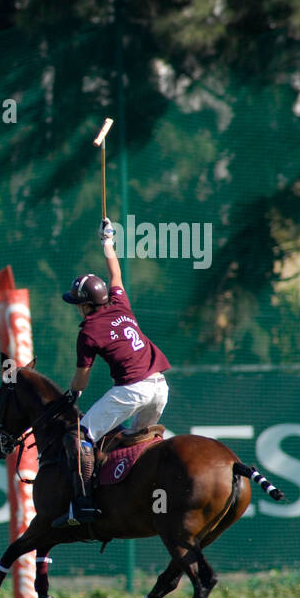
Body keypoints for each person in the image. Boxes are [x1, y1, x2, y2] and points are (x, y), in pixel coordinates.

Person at [55, 216, 172, 528]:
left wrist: (73, 394)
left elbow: (82, 375)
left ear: (85, 306)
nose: (76, 308)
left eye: (77, 304)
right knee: (137, 443)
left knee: (80, 437)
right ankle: (138, 494)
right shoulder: (119, 303)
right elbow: (115, 273)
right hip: (160, 386)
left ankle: (83, 507)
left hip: (133, 390)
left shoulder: (89, 330)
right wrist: (108, 241)